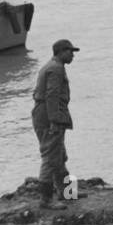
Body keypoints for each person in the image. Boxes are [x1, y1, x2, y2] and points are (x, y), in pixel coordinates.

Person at [31, 38, 79, 210]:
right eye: (70, 51)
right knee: (51, 156)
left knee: (59, 155)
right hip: (49, 115)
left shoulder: (54, 66)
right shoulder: (56, 68)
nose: (73, 55)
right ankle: (46, 199)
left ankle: (68, 192)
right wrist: (54, 120)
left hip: (47, 113)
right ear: (61, 52)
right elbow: (52, 96)